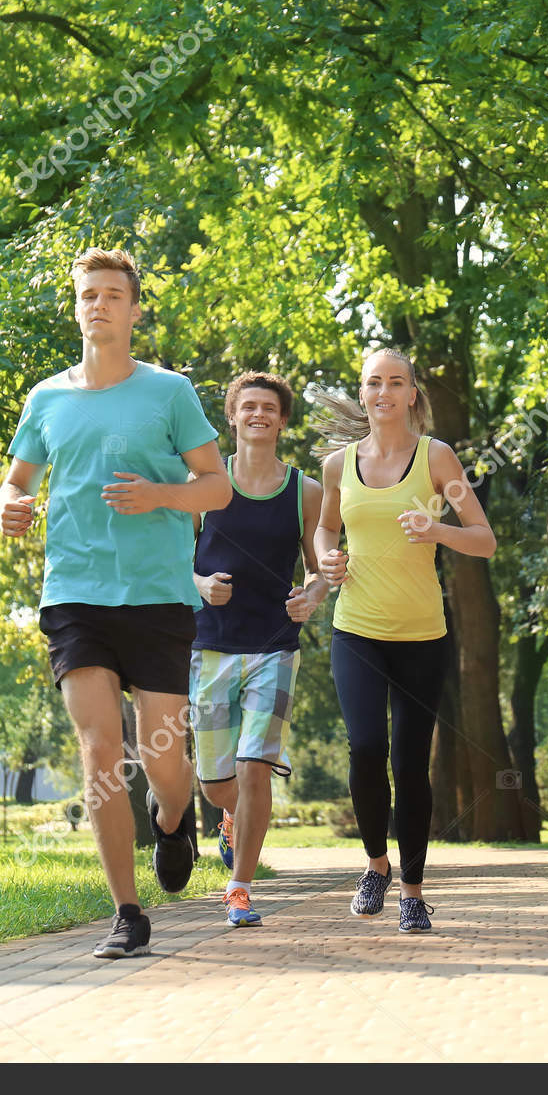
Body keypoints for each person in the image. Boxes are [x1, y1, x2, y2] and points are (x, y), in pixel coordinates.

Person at [0, 247, 230, 958]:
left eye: (109, 294)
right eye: (85, 294)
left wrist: (160, 495)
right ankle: (126, 912)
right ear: (76, 307)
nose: (96, 304)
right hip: (74, 596)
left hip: (157, 597)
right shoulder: (46, 399)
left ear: (133, 309)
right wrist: (11, 505)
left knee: (163, 756)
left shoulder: (169, 392)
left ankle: (173, 816)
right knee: (101, 749)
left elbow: (215, 486)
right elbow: (16, 481)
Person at [312, 349, 497, 933]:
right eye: (374, 382)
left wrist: (437, 528)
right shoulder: (338, 466)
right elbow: (325, 526)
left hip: (422, 635)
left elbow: (484, 539)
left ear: (413, 394)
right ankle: (375, 865)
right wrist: (324, 558)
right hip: (356, 628)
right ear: (363, 394)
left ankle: (414, 890)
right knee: (366, 747)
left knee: (411, 763)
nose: (385, 391)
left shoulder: (436, 458)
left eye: (396, 382)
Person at [191, 371, 329, 927]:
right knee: (216, 782)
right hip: (212, 646)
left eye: (269, 408)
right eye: (247, 406)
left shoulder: (306, 491)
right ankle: (231, 819)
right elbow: (173, 557)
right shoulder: (203, 482)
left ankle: (240, 888)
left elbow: (322, 569)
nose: (258, 415)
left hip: (275, 645)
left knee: (254, 767)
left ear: (282, 420)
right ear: (232, 416)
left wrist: (313, 595)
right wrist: (197, 585)